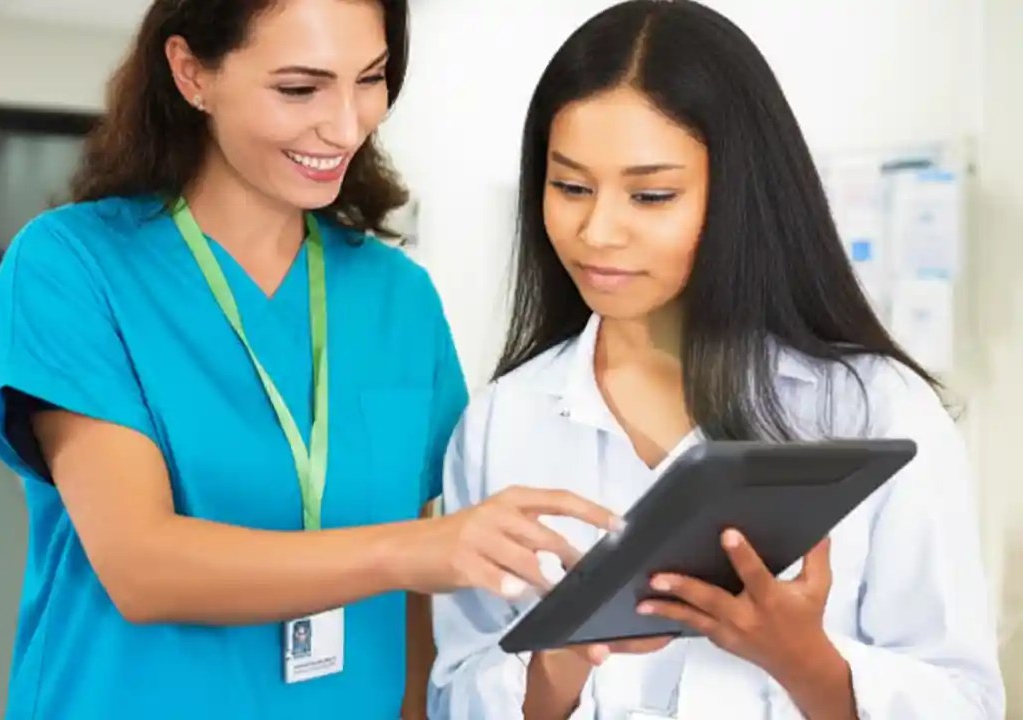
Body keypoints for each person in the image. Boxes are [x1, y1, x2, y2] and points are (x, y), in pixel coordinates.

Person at [0, 0, 620, 718]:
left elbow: (415, 612)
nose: (347, 126)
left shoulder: (397, 296)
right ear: (192, 74)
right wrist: (412, 548)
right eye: (299, 88)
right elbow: (141, 566)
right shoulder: (73, 264)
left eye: (370, 78)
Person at [428, 2, 1006, 719]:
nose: (597, 231)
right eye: (570, 186)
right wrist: (561, 659)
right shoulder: (499, 424)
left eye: (651, 195)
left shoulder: (874, 410)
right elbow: (454, 695)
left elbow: (968, 701)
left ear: (739, 194)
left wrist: (809, 664)